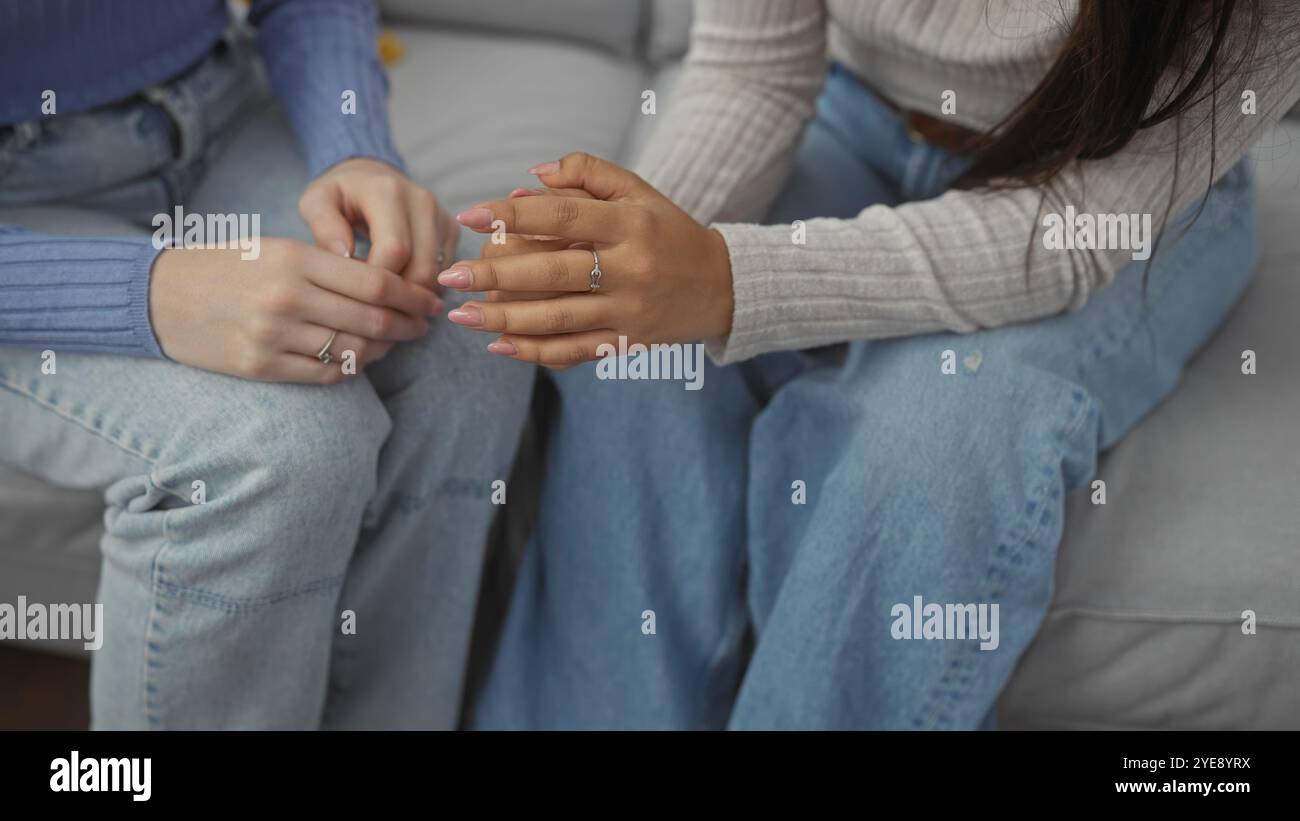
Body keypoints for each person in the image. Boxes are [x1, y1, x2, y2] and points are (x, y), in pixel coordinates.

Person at [457, 0, 1300, 728]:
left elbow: (1067, 229)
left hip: (1110, 193)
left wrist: (727, 281)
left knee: (927, 451)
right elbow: (756, 69)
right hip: (856, 116)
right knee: (628, 365)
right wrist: (639, 262)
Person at [0, 0, 532, 729]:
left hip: (216, 106)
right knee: (273, 452)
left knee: (469, 335)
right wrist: (149, 292)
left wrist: (356, 147)